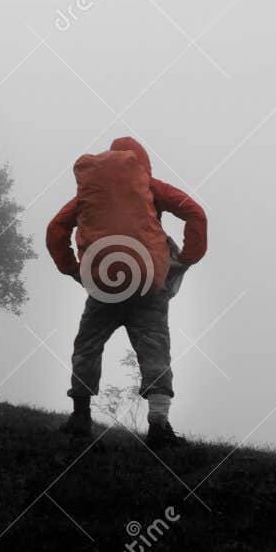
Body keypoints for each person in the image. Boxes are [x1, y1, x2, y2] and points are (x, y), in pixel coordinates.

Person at [45, 136, 207, 448]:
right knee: (155, 350)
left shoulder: (90, 192)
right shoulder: (150, 185)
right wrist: (188, 257)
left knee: (87, 346)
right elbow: (195, 213)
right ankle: (159, 426)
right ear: (140, 161)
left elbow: (56, 229)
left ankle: (80, 418)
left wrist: (74, 270)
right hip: (149, 286)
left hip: (105, 288)